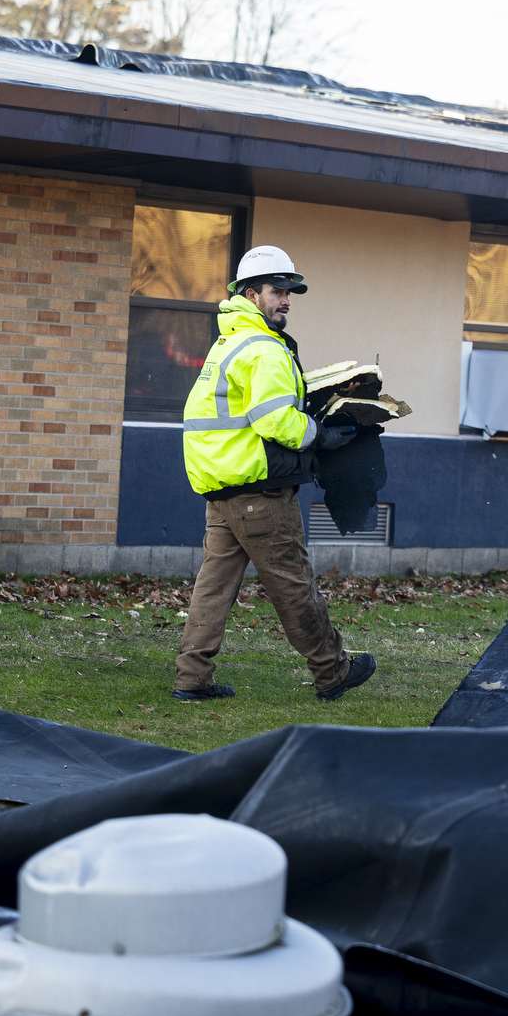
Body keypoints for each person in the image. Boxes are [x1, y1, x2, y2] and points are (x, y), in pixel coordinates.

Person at [173, 245, 375, 703]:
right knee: (293, 584)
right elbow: (274, 421)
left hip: (223, 490)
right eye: (277, 291)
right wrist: (323, 434)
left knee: (214, 588)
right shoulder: (264, 348)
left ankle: (191, 678)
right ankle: (332, 671)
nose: (286, 300)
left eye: (290, 292)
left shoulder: (228, 342)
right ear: (251, 293)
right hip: (260, 493)